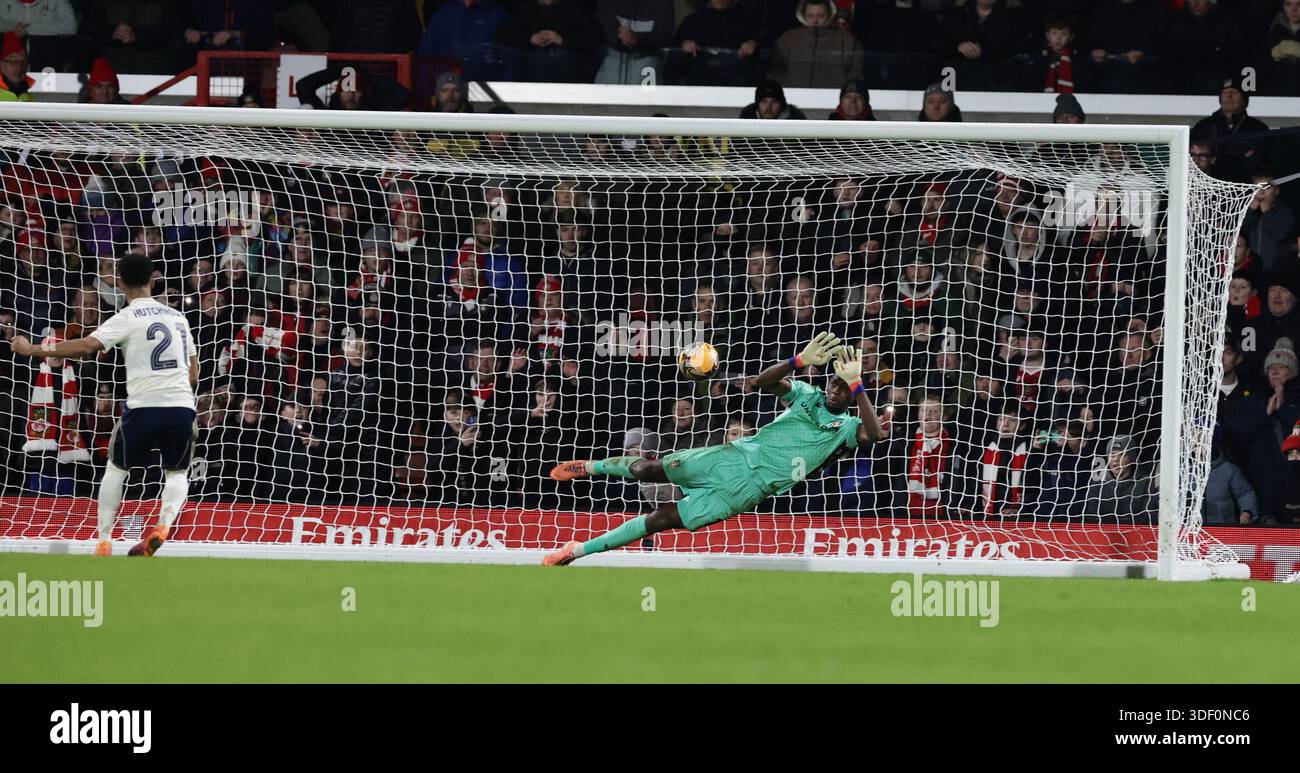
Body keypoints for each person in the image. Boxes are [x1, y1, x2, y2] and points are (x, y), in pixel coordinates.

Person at [542, 333, 885, 565]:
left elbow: (877, 435)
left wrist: (857, 384)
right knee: (646, 469)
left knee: (660, 519)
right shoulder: (806, 394)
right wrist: (798, 360)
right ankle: (589, 467)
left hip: (744, 492)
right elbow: (763, 383)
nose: (835, 390)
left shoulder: (849, 428)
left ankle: (576, 551)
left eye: (844, 388)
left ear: (854, 393)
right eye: (834, 382)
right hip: (730, 459)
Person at [9, 253, 197, 557]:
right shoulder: (178, 318)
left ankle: (104, 540)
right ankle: (162, 526)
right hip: (180, 406)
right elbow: (193, 373)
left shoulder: (125, 317)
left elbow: (86, 346)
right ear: (153, 280)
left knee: (116, 469)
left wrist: (33, 348)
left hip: (143, 406)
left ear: (119, 282)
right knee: (176, 473)